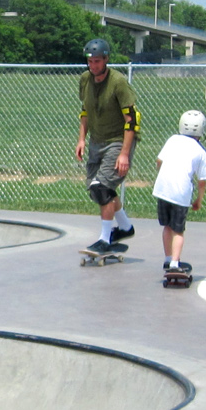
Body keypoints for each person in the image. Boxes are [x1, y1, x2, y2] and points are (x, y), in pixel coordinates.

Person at [74, 38, 141, 254]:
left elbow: (131, 120)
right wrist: (82, 139)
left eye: (97, 61)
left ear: (106, 60)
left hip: (119, 141)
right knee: (97, 190)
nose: (93, 66)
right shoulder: (85, 80)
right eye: (90, 61)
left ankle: (104, 239)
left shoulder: (118, 82)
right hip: (96, 140)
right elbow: (85, 111)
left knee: (102, 188)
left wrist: (124, 154)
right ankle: (125, 227)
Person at [152, 107, 206, 279]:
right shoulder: (200, 151)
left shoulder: (172, 140)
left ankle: (167, 259)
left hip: (163, 189)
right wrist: (199, 200)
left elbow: (159, 161)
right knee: (178, 230)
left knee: (167, 226)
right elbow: (202, 182)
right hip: (181, 193)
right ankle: (174, 263)